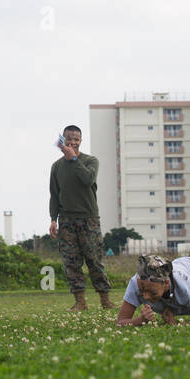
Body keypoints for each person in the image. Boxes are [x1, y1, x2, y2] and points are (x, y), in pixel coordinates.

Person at [49, 125, 114, 311]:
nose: (72, 142)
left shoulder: (91, 161)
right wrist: (53, 219)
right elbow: (54, 195)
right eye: (69, 139)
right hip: (66, 220)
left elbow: (88, 180)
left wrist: (74, 159)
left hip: (89, 219)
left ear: (81, 141)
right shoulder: (56, 167)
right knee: (71, 262)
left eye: (76, 139)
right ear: (63, 140)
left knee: (94, 260)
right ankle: (80, 302)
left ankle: (105, 300)